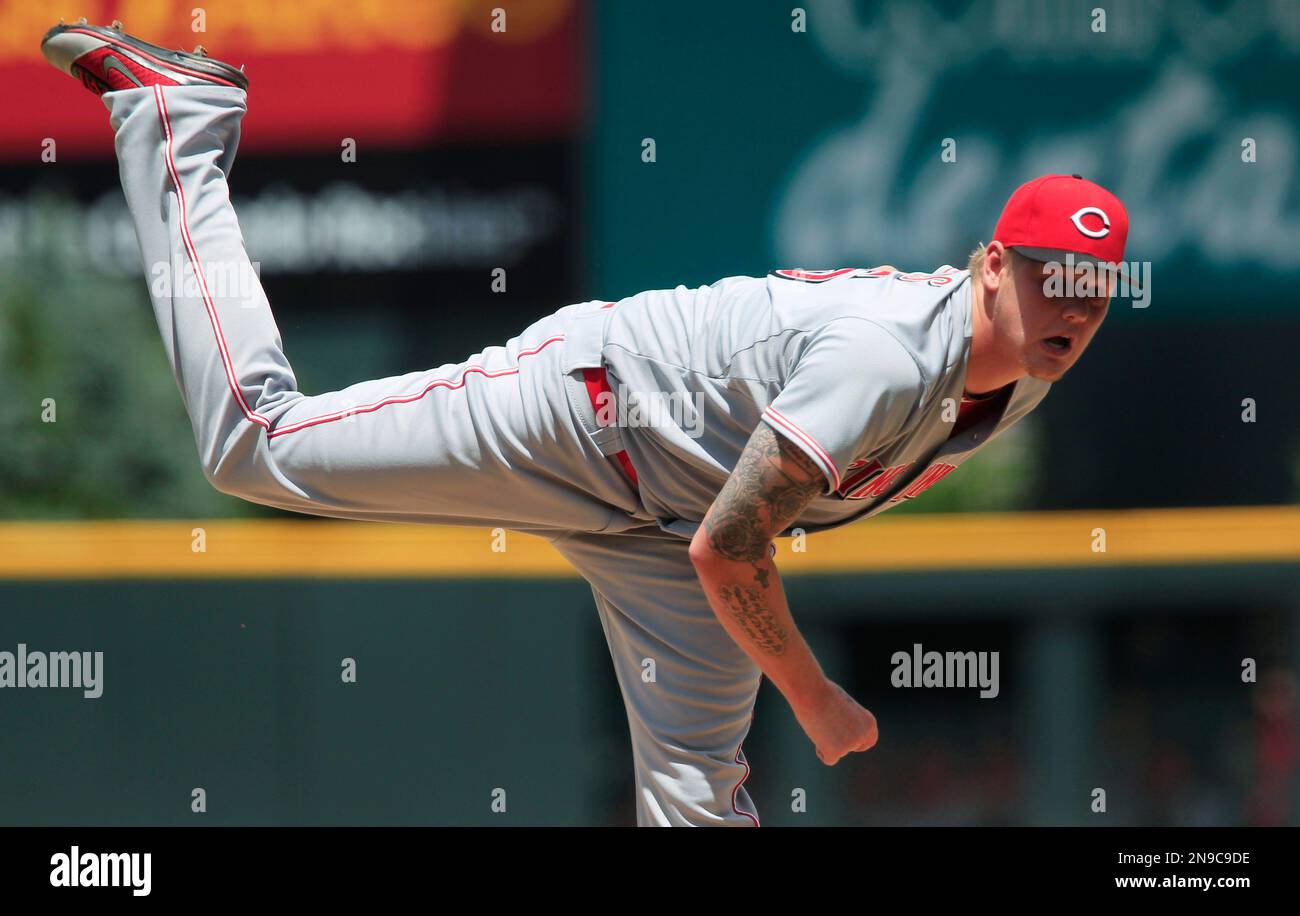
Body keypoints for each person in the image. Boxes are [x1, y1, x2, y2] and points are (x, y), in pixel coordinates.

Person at [41, 21, 1129, 826]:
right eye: (1048, 278)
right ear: (992, 266)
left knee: (697, 802)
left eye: (1092, 285)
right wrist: (816, 695)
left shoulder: (1025, 362)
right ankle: (178, 123)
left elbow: (723, 532)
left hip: (670, 513)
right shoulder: (883, 357)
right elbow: (734, 546)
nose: (1070, 305)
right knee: (255, 447)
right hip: (579, 417)